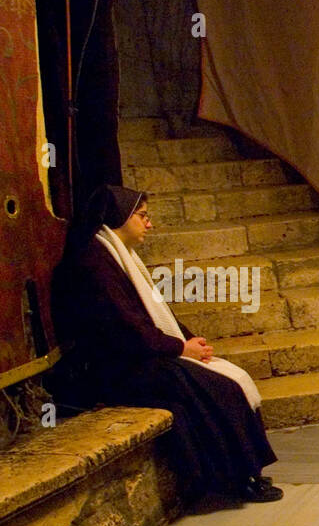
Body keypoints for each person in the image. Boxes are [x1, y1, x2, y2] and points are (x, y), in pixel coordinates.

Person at [50, 184, 283, 507]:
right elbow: (125, 327)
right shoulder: (95, 263)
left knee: (226, 378)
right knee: (213, 387)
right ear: (119, 216)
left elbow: (154, 312)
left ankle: (243, 473)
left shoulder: (116, 256)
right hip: (114, 368)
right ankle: (238, 479)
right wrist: (179, 349)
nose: (149, 224)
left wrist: (187, 341)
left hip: (138, 355)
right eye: (142, 216)